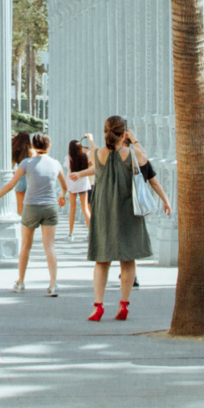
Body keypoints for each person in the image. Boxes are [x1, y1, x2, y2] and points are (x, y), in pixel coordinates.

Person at [71, 115, 169, 322]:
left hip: (104, 212)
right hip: (128, 211)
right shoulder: (134, 154)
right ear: (124, 134)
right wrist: (165, 200)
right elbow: (152, 178)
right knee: (128, 259)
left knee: (102, 260)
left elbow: (97, 167)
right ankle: (124, 304)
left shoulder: (96, 154)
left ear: (105, 131)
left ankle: (98, 306)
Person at [0, 133, 67, 296]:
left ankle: (21, 282)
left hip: (31, 207)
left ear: (33, 146)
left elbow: (10, 185)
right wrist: (62, 195)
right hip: (50, 207)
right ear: (49, 146)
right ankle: (53, 284)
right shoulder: (56, 164)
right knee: (49, 246)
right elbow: (64, 186)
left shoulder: (26, 163)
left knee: (26, 246)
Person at [65, 140, 92, 240]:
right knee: (85, 209)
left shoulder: (68, 158)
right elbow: (90, 165)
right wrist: (86, 150)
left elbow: (66, 166)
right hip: (83, 184)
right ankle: (91, 233)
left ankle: (71, 234)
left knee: (72, 209)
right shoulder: (85, 156)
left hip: (72, 184)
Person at [11, 132, 31, 215]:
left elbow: (11, 167)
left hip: (20, 180)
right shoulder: (31, 151)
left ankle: (21, 221)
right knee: (29, 207)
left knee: (20, 208)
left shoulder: (16, 151)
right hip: (30, 180)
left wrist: (15, 174)